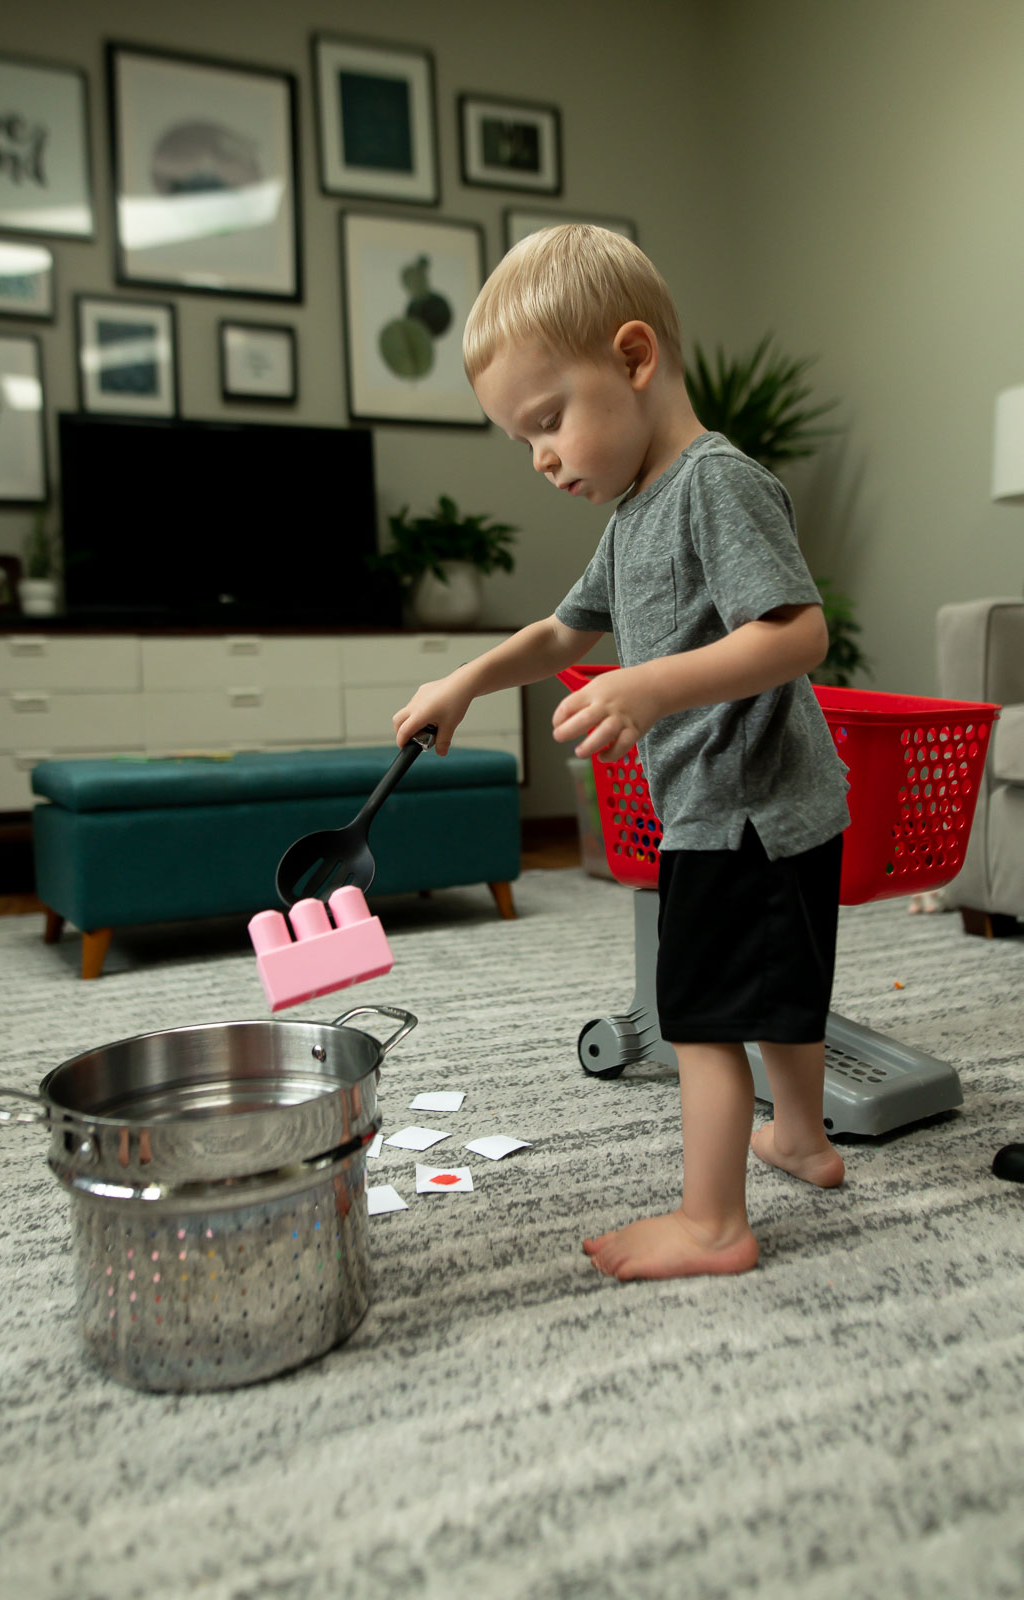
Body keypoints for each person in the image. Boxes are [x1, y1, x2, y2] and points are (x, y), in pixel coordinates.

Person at [392, 225, 852, 1282]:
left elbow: (796, 634)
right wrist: (463, 680)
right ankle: (801, 1137)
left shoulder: (714, 485)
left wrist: (645, 685)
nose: (541, 455)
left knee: (697, 1012)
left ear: (634, 360)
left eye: (547, 420)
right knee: (769, 986)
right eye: (521, 440)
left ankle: (711, 1223)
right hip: (744, 803)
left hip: (745, 804)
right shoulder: (636, 512)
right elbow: (564, 633)